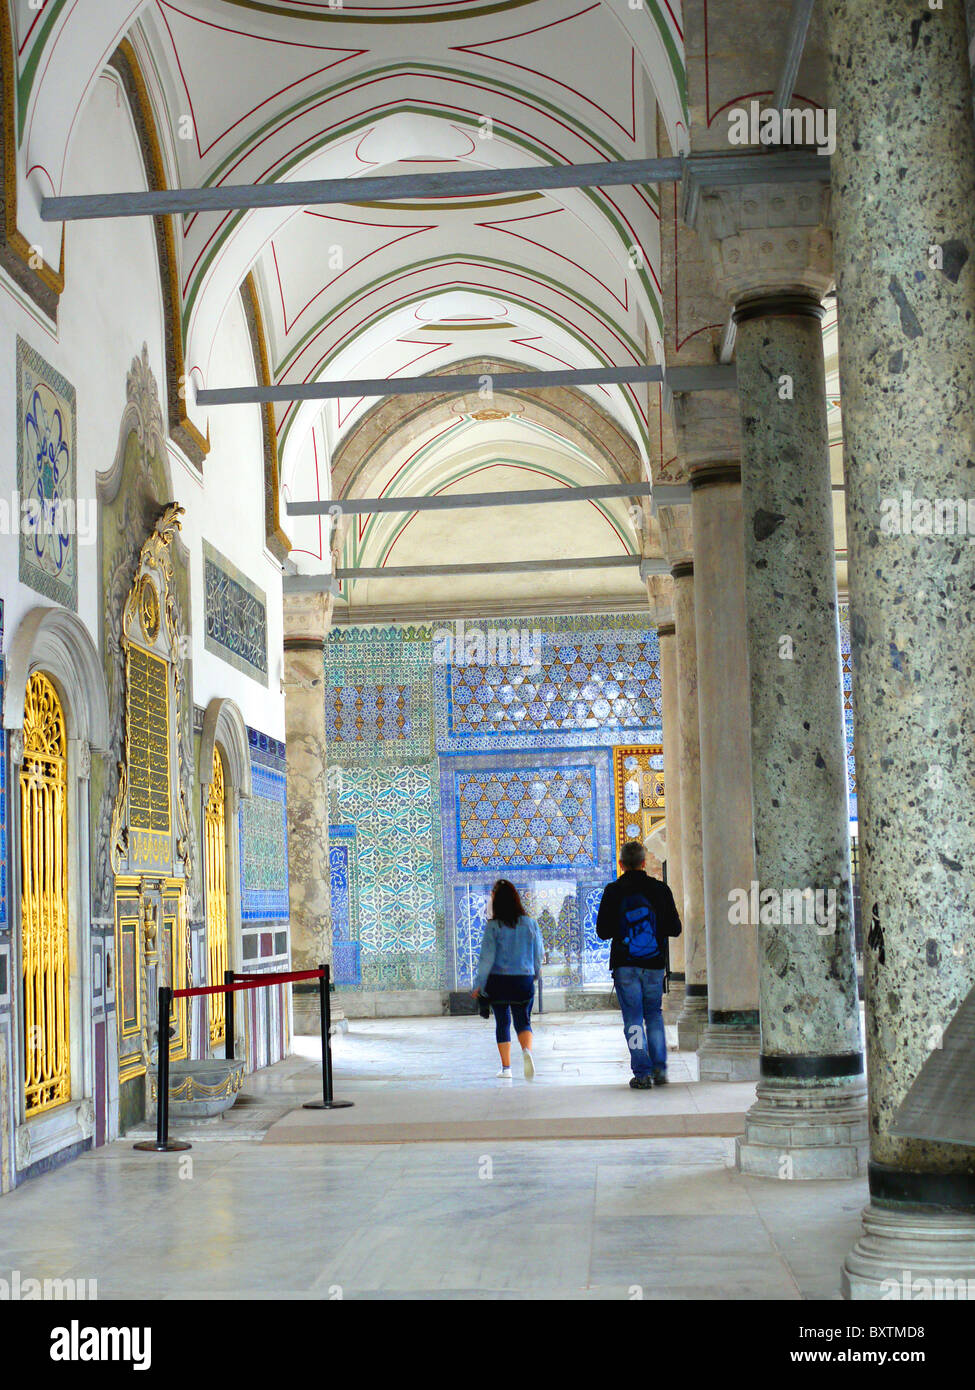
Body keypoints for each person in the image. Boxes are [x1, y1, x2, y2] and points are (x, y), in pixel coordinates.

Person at [596, 839, 682, 1089]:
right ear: (644, 863)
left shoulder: (613, 890)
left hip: (625, 966)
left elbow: (602, 931)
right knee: (653, 1015)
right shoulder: (660, 889)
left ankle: (642, 1073)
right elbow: (675, 929)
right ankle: (659, 1070)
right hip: (654, 964)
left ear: (621, 864)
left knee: (632, 1018)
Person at [473, 880, 544, 1080]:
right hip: (523, 980)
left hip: (499, 982)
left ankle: (506, 1069)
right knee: (523, 1021)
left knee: (502, 1022)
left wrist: (478, 983)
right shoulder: (531, 924)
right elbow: (538, 954)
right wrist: (535, 974)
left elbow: (486, 958)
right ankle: (527, 1052)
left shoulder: (493, 926)